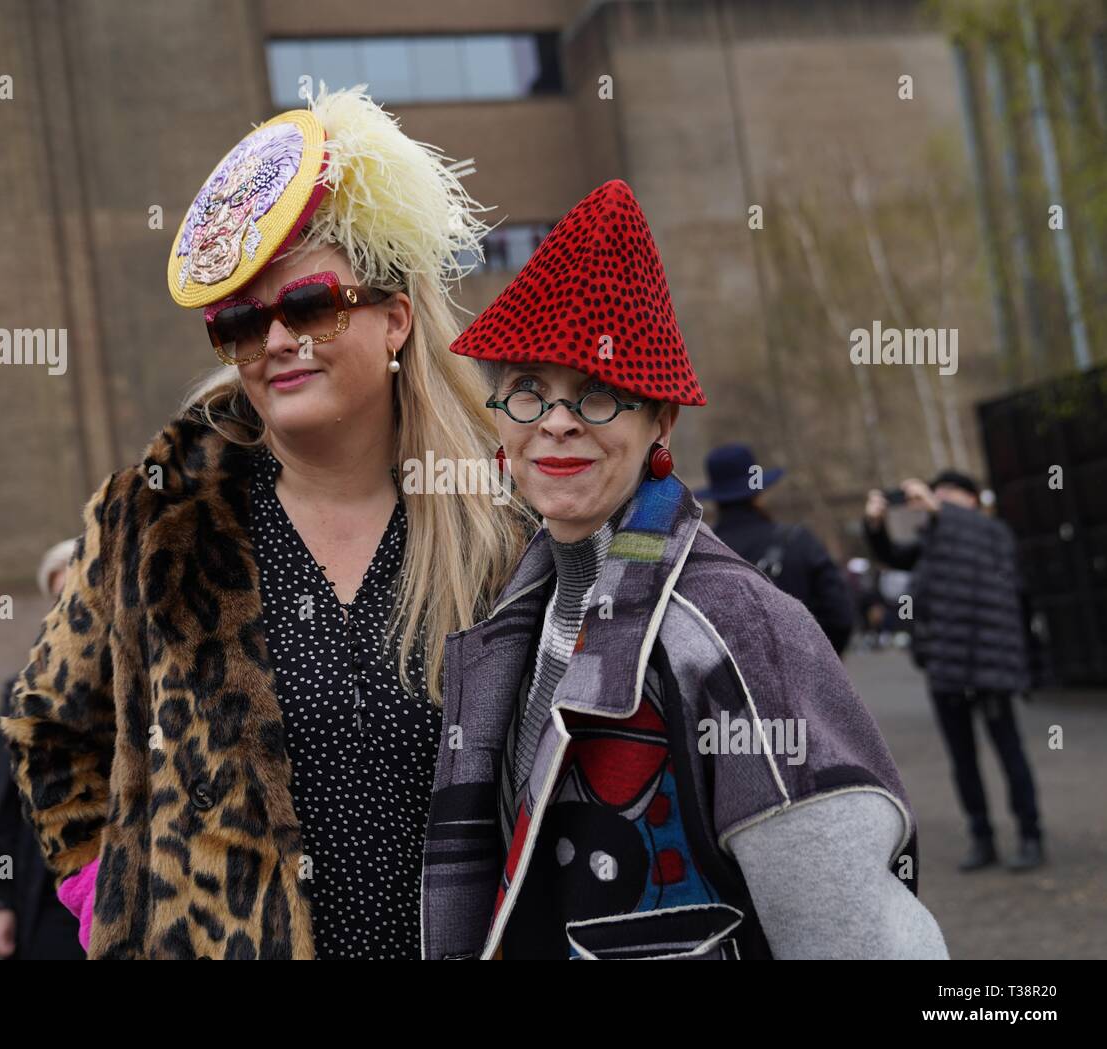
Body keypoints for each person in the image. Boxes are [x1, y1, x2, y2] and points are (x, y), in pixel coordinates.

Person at [0, 85, 530, 959]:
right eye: (241, 321)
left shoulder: (494, 525)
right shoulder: (152, 521)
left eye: (312, 304)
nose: (277, 338)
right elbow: (46, 723)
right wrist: (115, 902)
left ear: (394, 318)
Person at [425, 179, 948, 959]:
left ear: (660, 419)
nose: (558, 420)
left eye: (597, 394)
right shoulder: (509, 618)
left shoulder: (741, 630)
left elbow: (862, 942)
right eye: (529, 390)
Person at [864, 473, 1043, 872]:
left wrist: (940, 510)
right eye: (935, 494)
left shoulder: (992, 533)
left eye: (948, 495)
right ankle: (981, 836)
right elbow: (894, 556)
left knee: (1009, 751)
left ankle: (1030, 833)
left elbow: (985, 555)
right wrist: (875, 526)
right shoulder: (933, 540)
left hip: (989, 664)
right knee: (962, 759)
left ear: (974, 501)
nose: (938, 500)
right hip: (946, 665)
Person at [0, 539, 85, 960]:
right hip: (55, 900)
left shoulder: (165, 678)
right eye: (60, 594)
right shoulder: (28, 693)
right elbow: (2, 805)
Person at [697, 442, 854, 654]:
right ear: (759, 494)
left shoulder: (698, 552)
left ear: (716, 497)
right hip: (804, 668)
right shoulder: (799, 542)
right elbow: (840, 616)